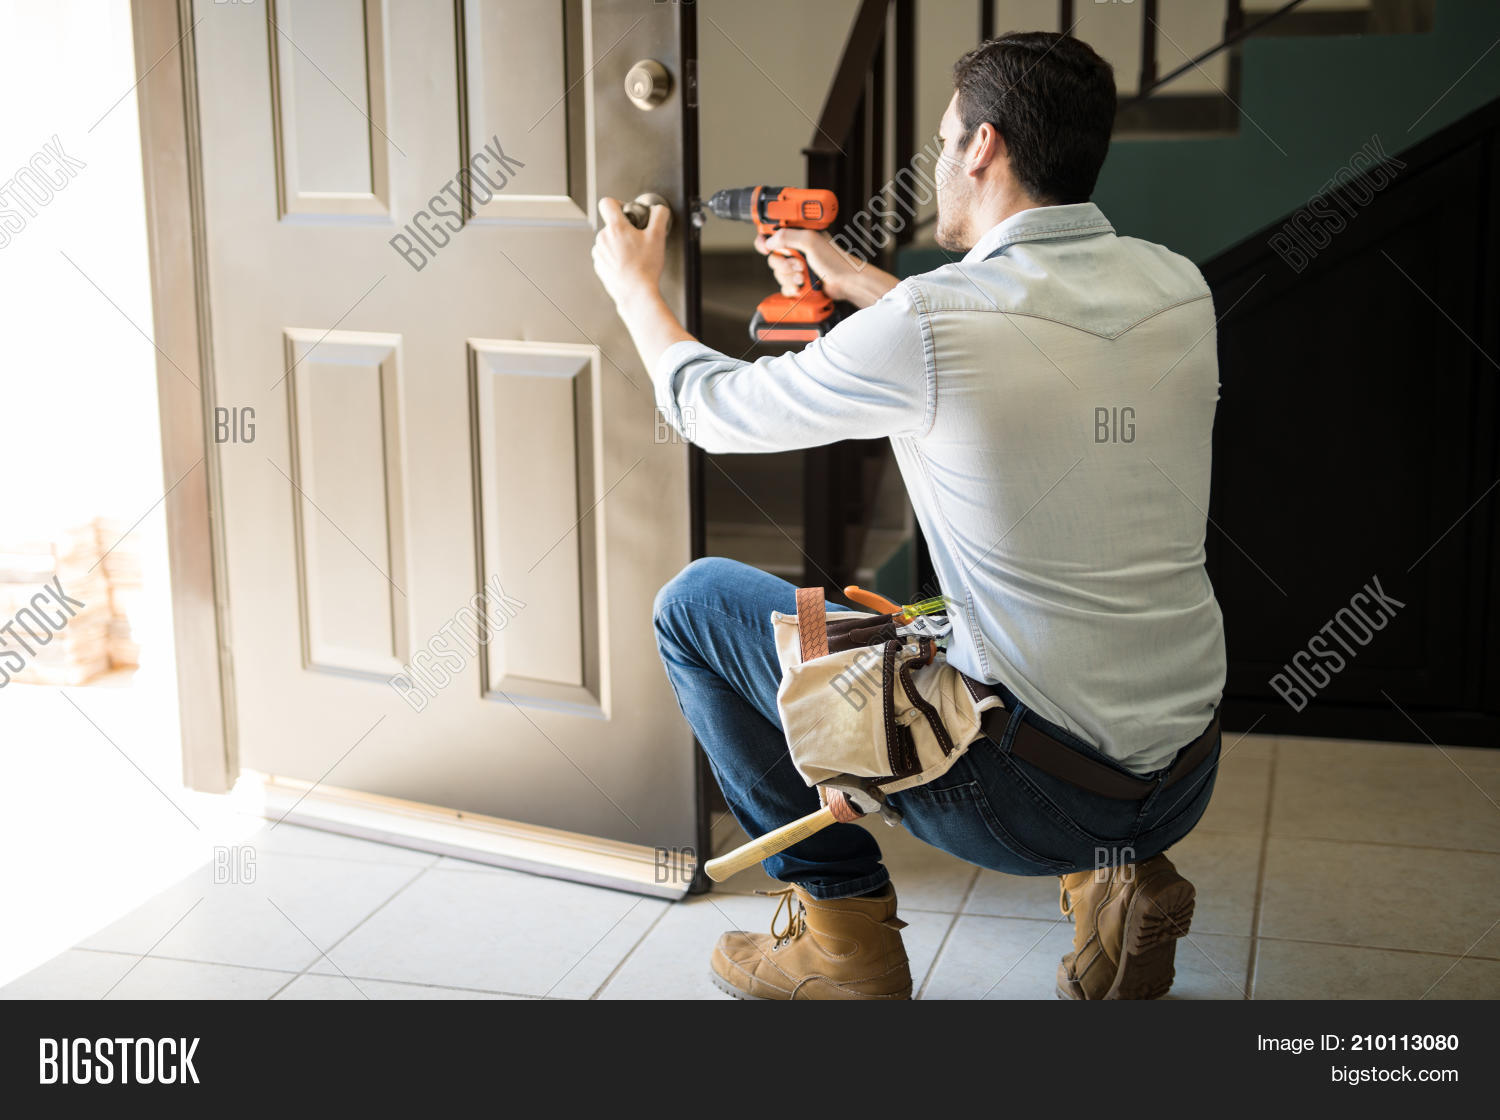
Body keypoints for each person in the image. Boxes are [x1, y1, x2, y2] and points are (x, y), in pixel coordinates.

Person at [591, 31, 1226, 1001]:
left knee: (699, 601)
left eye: (942, 140)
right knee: (930, 625)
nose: (938, 161)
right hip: (1183, 773)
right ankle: (1121, 875)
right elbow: (1014, 355)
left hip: (1023, 794)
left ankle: (841, 937)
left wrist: (637, 288)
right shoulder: (1177, 285)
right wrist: (857, 286)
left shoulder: (933, 320)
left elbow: (712, 412)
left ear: (983, 147)